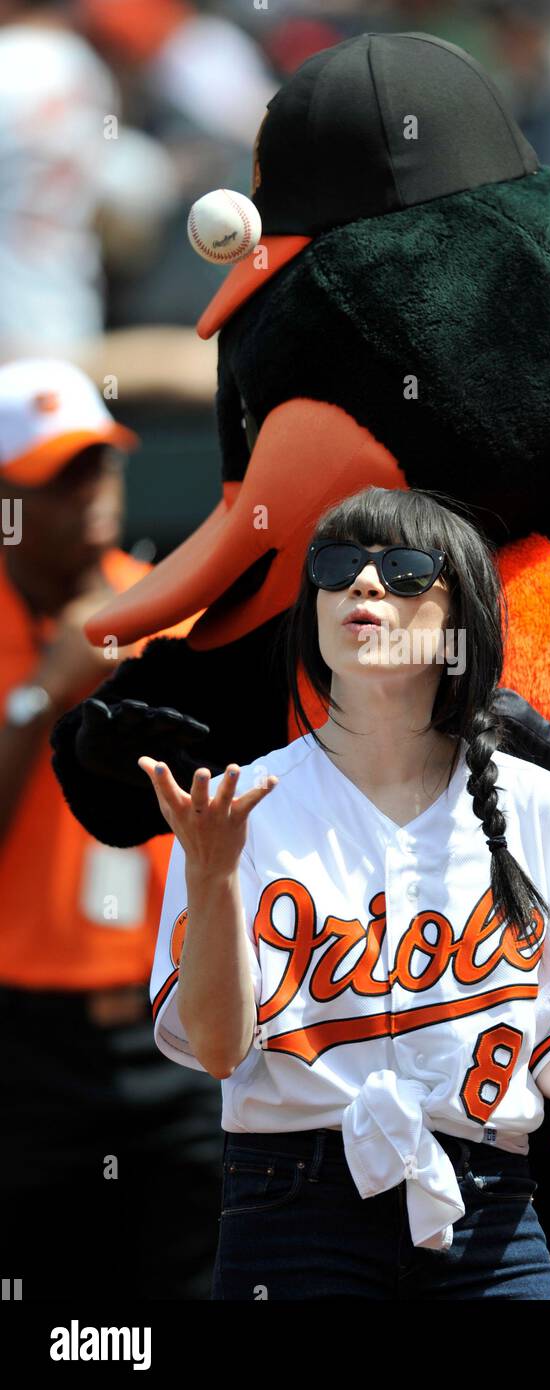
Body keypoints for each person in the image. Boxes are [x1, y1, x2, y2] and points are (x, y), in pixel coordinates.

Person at [142, 485, 550, 1301]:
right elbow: (219, 1052)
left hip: (490, 1204)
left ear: (458, 625)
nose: (364, 585)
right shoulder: (238, 804)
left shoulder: (536, 801)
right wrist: (212, 873)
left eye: (404, 571)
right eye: (338, 566)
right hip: (291, 1204)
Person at [0, 357, 223, 1300]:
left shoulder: (175, 609)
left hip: (173, 1026)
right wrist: (45, 686)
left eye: (99, 465)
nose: (91, 494)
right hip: (23, 1044)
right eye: (58, 477)